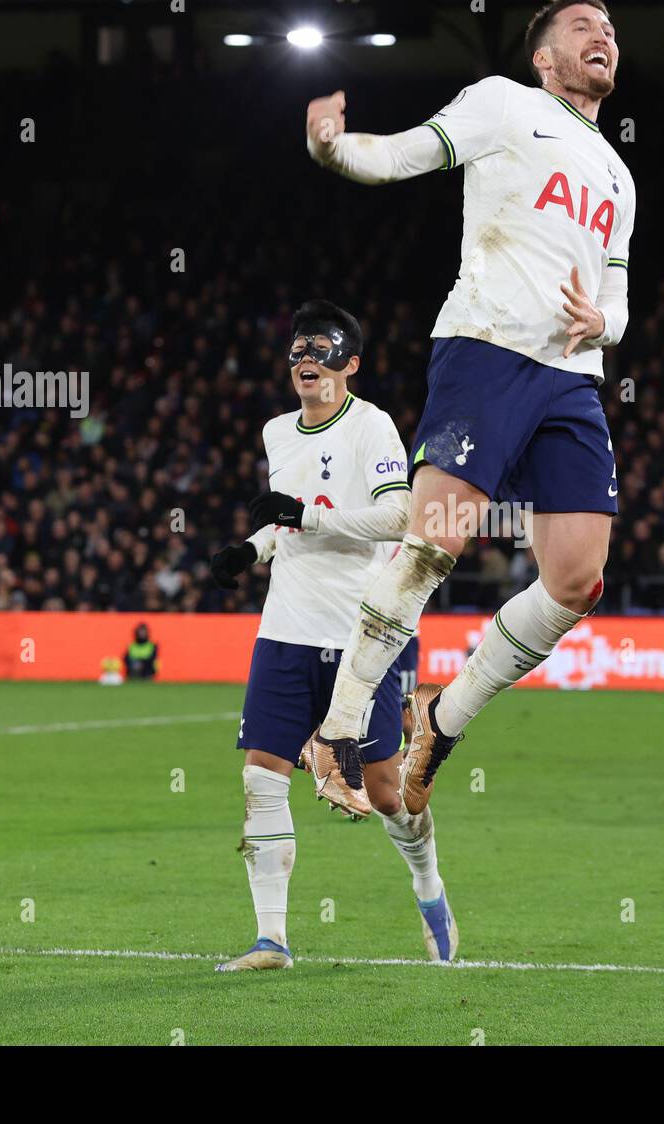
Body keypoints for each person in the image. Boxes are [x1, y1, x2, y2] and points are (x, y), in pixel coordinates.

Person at [302, 0, 635, 813]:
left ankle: (443, 716)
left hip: (572, 378)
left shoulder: (619, 175)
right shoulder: (503, 102)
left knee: (578, 580)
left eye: (613, 31)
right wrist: (333, 148)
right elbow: (400, 158)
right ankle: (336, 730)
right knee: (433, 546)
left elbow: (619, 297)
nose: (605, 37)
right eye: (585, 26)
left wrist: (604, 323)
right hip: (486, 349)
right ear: (545, 58)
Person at [208, 300, 457, 971]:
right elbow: (283, 521)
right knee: (261, 776)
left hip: (362, 633)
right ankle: (272, 940)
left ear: (350, 363)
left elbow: (397, 515)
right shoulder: (276, 434)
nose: (306, 361)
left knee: (383, 792)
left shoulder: (372, 427)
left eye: (321, 350)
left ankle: (427, 883)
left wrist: (303, 518)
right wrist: (251, 551)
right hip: (285, 629)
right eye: (297, 350)